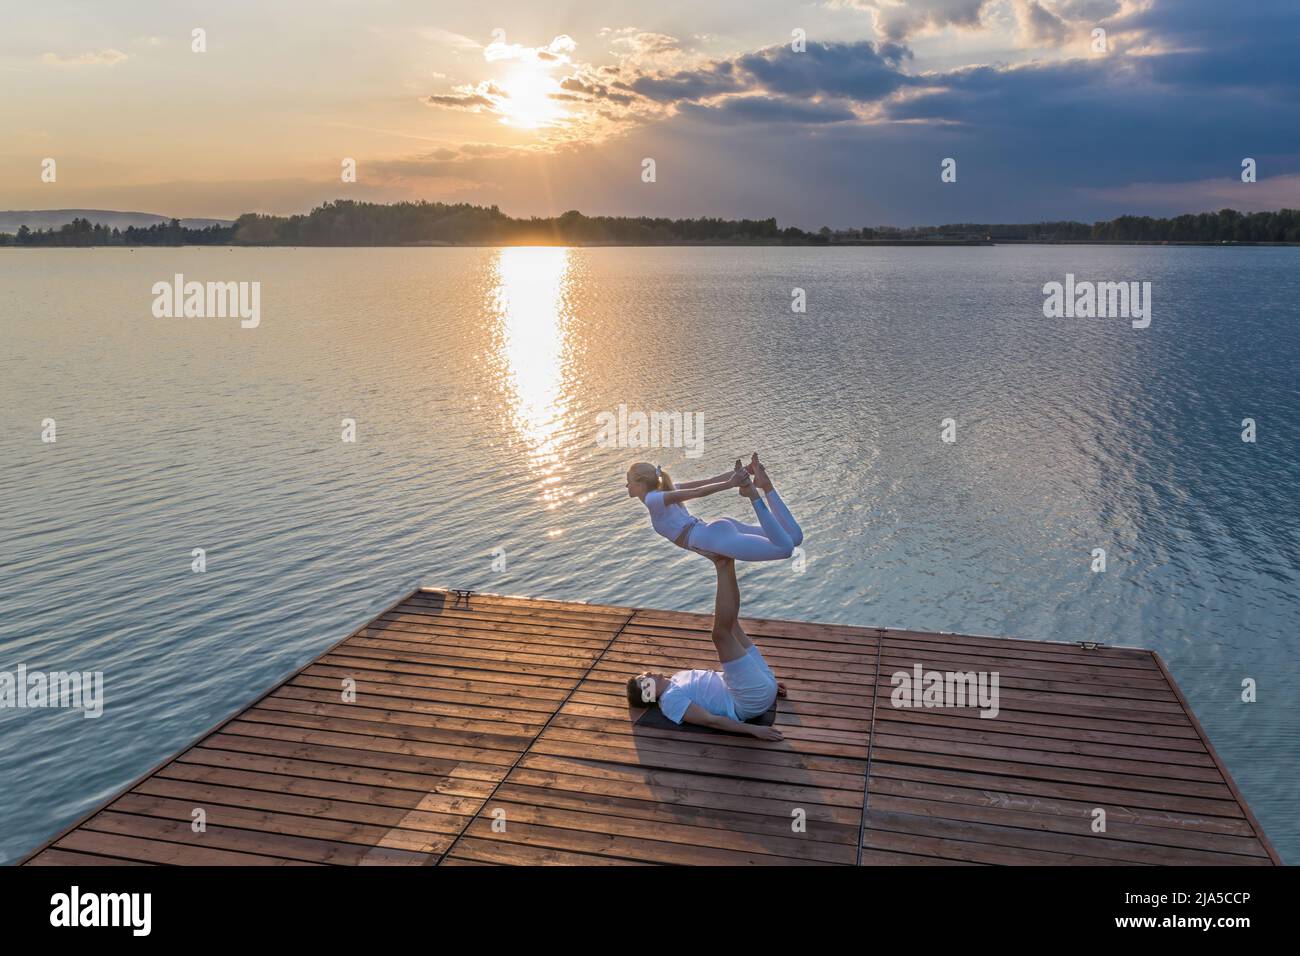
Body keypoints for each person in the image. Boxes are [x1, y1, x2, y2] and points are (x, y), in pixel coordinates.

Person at [626, 554, 787, 740]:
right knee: (720, 634)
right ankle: (721, 565)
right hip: (748, 701)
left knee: (731, 626)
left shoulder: (677, 678)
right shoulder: (670, 701)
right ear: (649, 695)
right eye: (645, 681)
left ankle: (728, 561)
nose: (648, 674)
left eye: (644, 673)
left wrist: (765, 684)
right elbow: (710, 720)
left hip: (759, 687)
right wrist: (753, 730)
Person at [625, 453, 803, 562]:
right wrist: (746, 471)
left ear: (640, 484)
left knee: (785, 548)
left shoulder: (652, 499)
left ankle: (753, 494)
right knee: (794, 537)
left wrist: (732, 483)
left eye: (629, 482)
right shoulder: (666, 489)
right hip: (714, 530)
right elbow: (710, 481)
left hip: (710, 537)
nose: (627, 486)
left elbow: (699, 491)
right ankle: (766, 486)